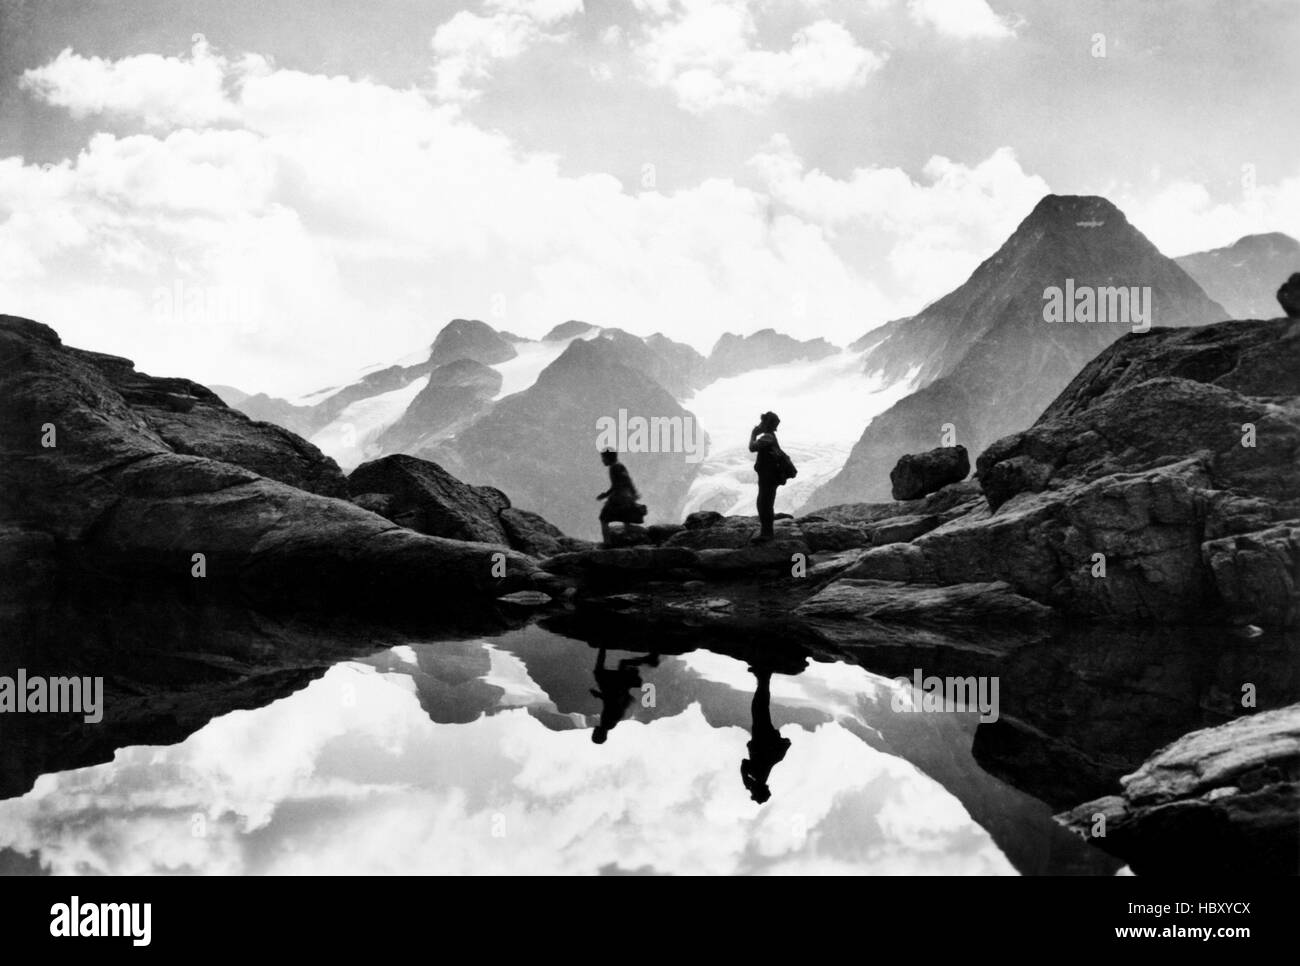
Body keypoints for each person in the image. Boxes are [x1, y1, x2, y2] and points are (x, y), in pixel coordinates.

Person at [740, 666, 791, 803]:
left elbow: (746, 763)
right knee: (759, 707)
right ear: (758, 790)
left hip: (762, 735)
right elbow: (745, 764)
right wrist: (745, 779)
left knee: (760, 707)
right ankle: (764, 675)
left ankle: (763, 677)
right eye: (753, 792)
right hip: (762, 735)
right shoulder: (758, 776)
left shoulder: (759, 777)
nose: (751, 790)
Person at [589, 647, 660, 744]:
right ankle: (603, 646)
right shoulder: (607, 722)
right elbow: (612, 702)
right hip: (619, 686)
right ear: (599, 733)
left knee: (620, 665)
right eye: (594, 733)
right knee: (600, 671)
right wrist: (598, 694)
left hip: (620, 687)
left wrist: (600, 695)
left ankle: (649, 659)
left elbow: (613, 703)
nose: (593, 731)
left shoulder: (609, 724)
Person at [748, 411, 795, 542]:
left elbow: (752, 448)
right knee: (766, 503)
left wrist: (753, 434)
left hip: (768, 476)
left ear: (766, 424)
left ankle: (767, 534)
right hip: (770, 476)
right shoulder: (771, 437)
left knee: (764, 503)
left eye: (762, 422)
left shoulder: (767, 438)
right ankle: (766, 532)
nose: (759, 425)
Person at [596, 448, 645, 547]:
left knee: (603, 518)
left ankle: (607, 543)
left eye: (603, 458)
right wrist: (633, 492)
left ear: (608, 458)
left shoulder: (614, 467)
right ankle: (631, 539)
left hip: (618, 499)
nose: (602, 461)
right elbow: (627, 480)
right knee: (625, 519)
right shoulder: (619, 466)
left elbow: (618, 485)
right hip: (626, 498)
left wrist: (606, 495)